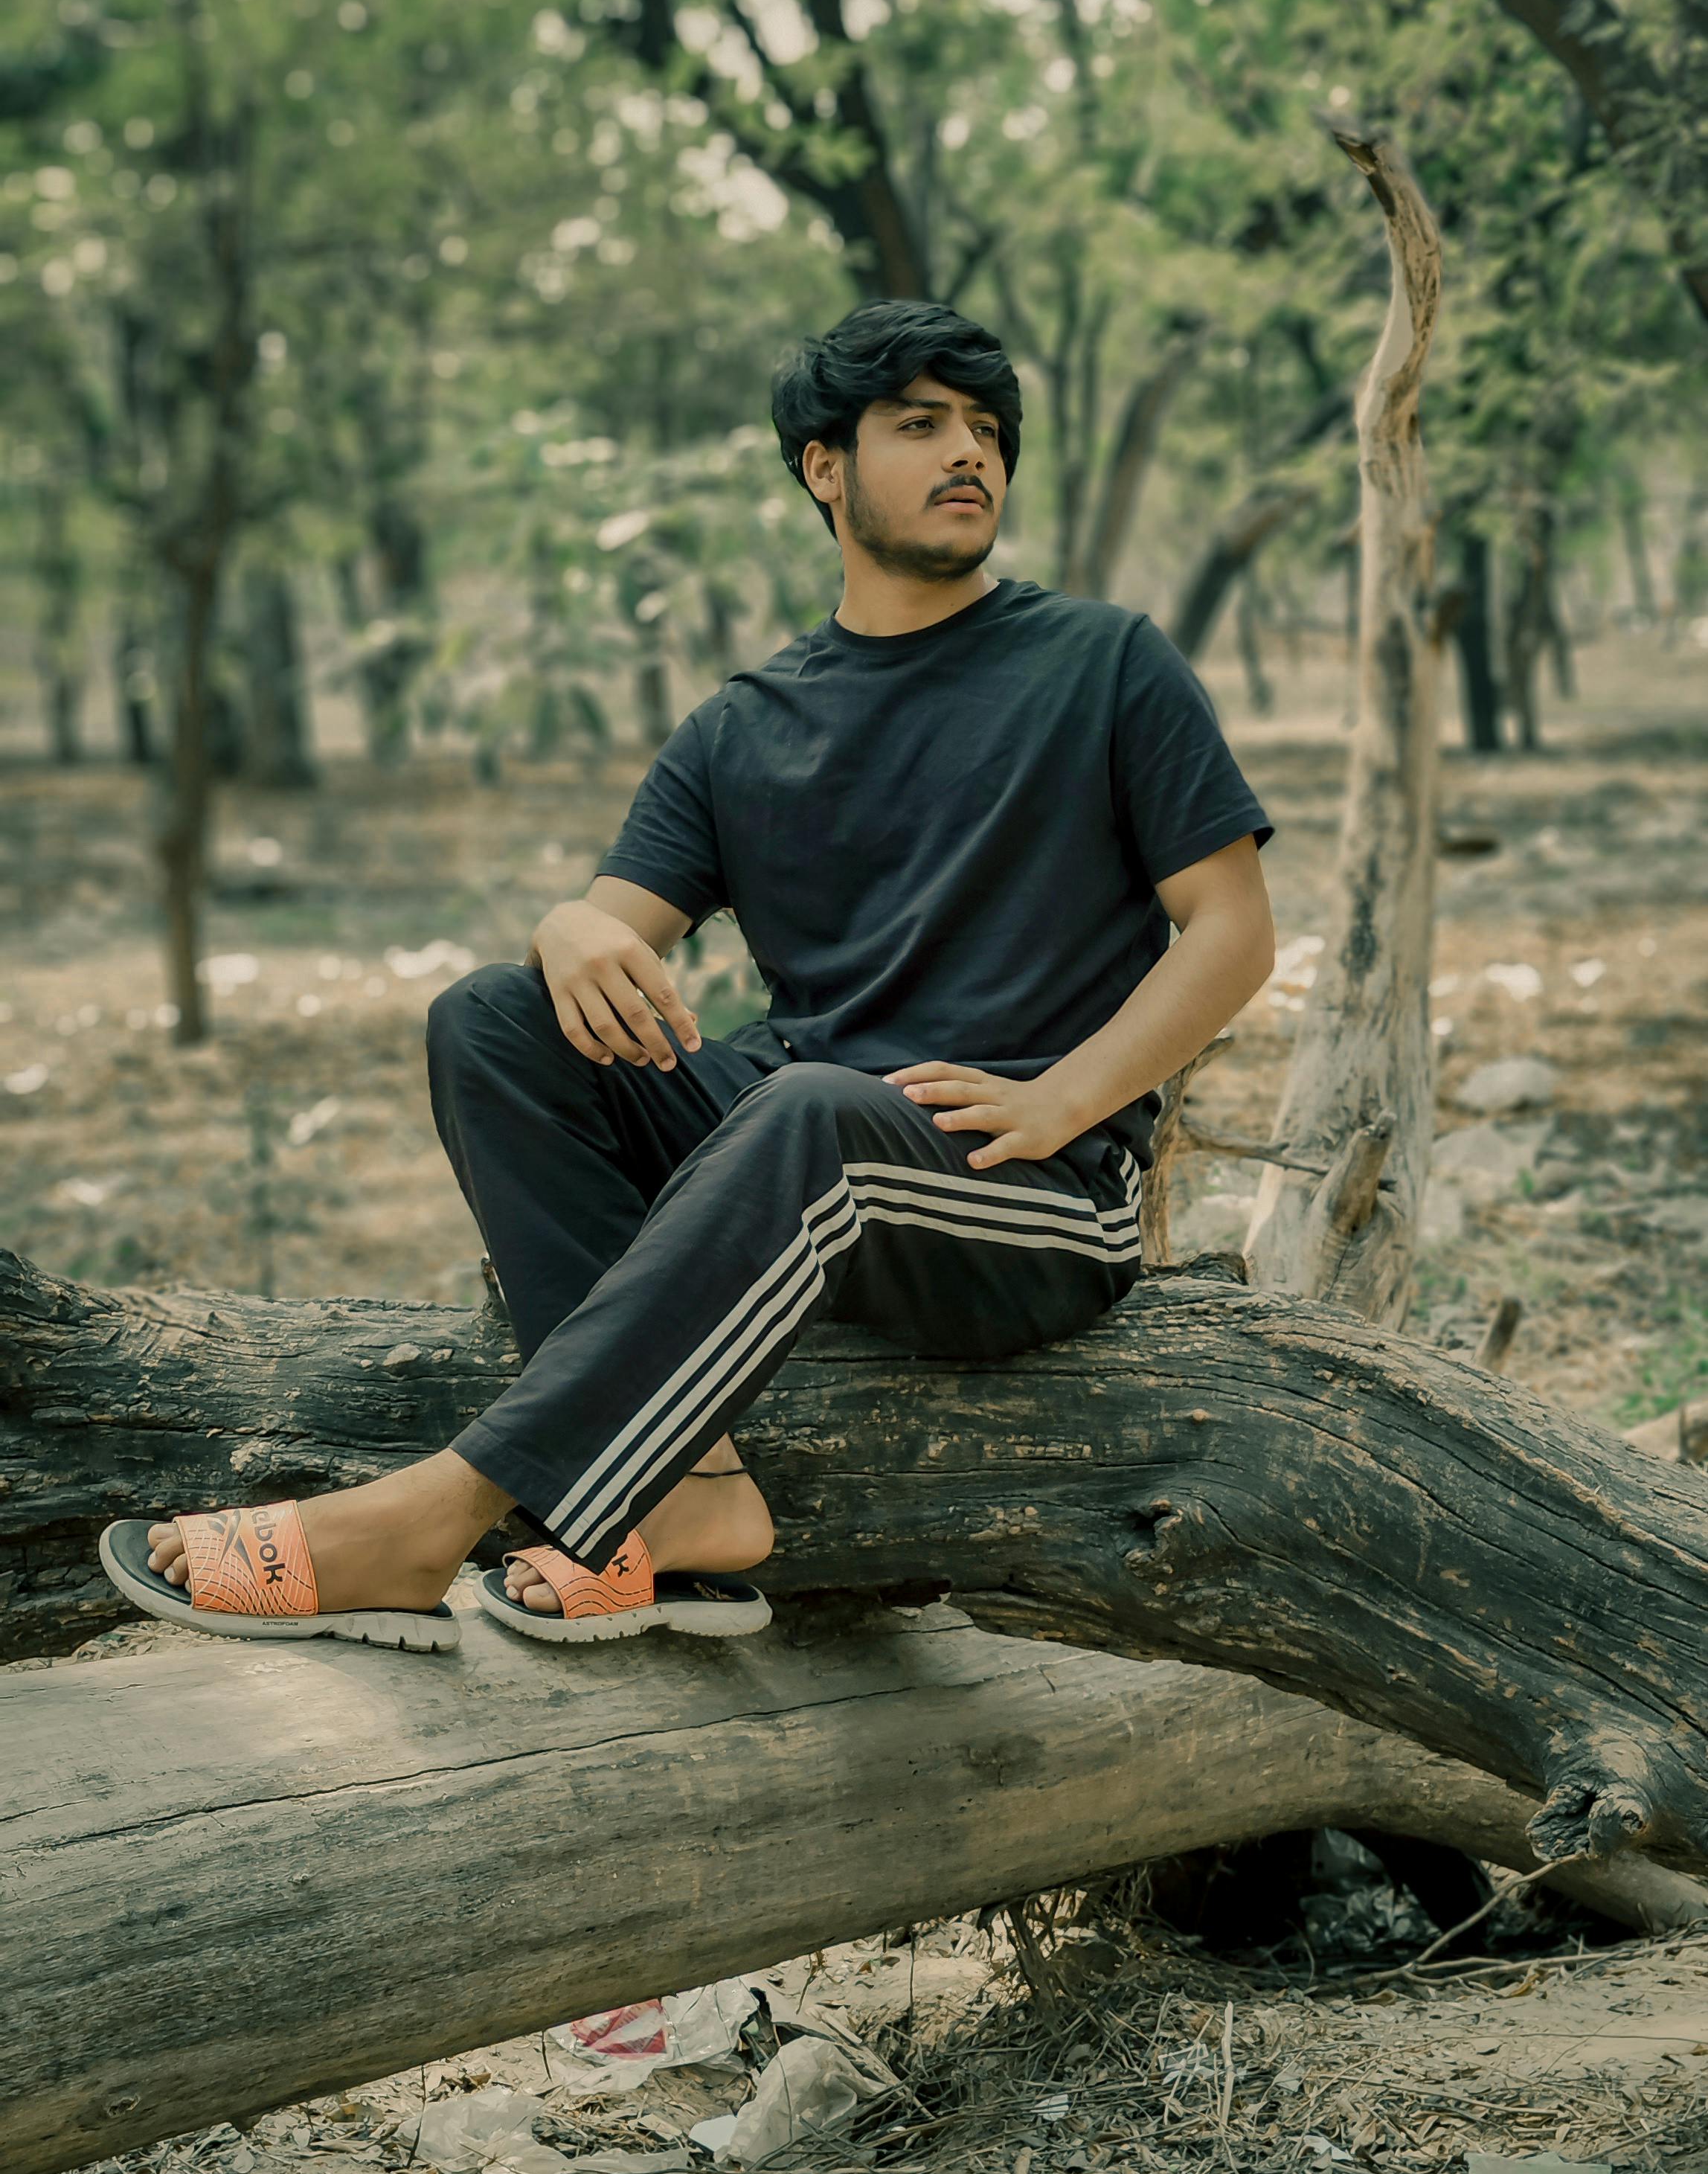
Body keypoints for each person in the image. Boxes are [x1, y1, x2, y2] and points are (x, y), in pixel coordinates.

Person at [100, 299, 1274, 1652]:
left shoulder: (1104, 662)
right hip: (810, 1134)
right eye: (920, 424)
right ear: (823, 466)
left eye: (988, 430)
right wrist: (568, 925)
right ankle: (690, 1489)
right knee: (491, 1020)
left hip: (1020, 1191)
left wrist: (1067, 1101)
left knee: (814, 1109)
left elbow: (1233, 929)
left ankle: (428, 1520)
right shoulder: (744, 724)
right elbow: (607, 935)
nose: (972, 454)